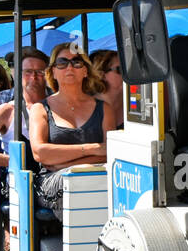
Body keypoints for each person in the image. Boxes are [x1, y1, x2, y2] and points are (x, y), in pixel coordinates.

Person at [28, 46, 120, 220]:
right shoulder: (40, 109)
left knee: (92, 180)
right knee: (80, 181)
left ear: (85, 71)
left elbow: (110, 152)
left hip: (95, 175)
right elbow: (40, 152)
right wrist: (92, 149)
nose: (69, 67)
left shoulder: (104, 108)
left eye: (76, 62)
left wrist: (66, 164)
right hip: (51, 181)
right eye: (62, 63)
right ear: (53, 72)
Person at [92, 50, 124, 124]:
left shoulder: (133, 105)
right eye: (120, 70)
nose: (126, 74)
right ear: (102, 75)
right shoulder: (88, 109)